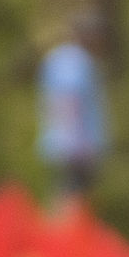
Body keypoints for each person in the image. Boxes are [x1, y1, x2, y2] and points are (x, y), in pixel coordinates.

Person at [36, 15, 108, 206]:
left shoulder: (60, 58)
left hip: (65, 144)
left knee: (68, 195)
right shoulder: (75, 61)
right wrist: (78, 144)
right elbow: (68, 100)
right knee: (73, 200)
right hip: (75, 147)